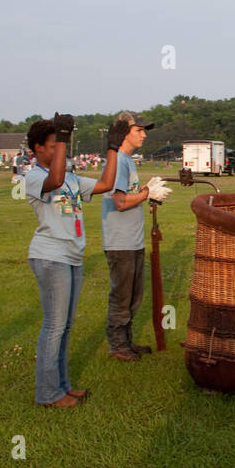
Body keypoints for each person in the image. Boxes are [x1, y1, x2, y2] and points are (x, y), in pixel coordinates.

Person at [23, 115, 140, 407]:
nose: (60, 150)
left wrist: (113, 148)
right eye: (54, 146)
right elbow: (56, 179)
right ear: (38, 148)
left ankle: (62, 386)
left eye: (61, 144)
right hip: (50, 256)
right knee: (54, 326)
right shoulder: (35, 176)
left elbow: (106, 183)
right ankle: (48, 393)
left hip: (71, 256)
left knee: (65, 327)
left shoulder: (73, 178)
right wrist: (63, 138)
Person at [101, 110, 170, 362]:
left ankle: (127, 341)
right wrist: (146, 194)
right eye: (139, 130)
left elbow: (127, 193)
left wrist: (144, 189)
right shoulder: (118, 160)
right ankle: (117, 345)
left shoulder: (128, 160)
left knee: (133, 295)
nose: (144, 134)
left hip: (132, 239)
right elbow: (119, 202)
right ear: (123, 133)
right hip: (120, 241)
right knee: (122, 295)